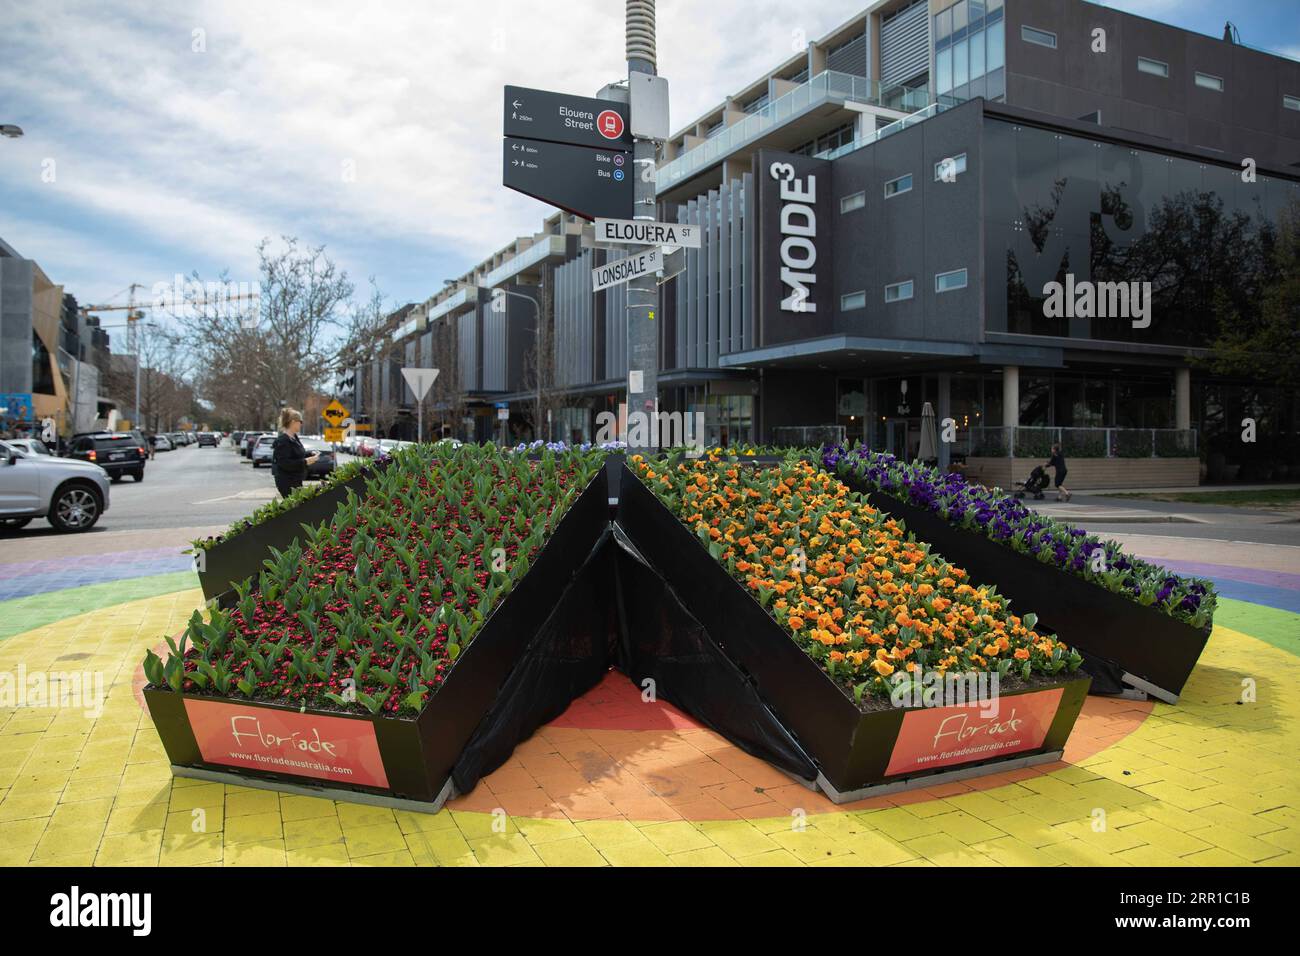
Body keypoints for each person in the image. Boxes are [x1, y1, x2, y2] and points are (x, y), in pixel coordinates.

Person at [271, 408, 318, 499]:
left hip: (296, 479)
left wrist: (310, 455)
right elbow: (285, 463)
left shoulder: (294, 438)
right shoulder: (283, 441)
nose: (301, 424)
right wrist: (306, 461)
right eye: (300, 421)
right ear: (293, 422)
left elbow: (297, 455)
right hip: (287, 481)